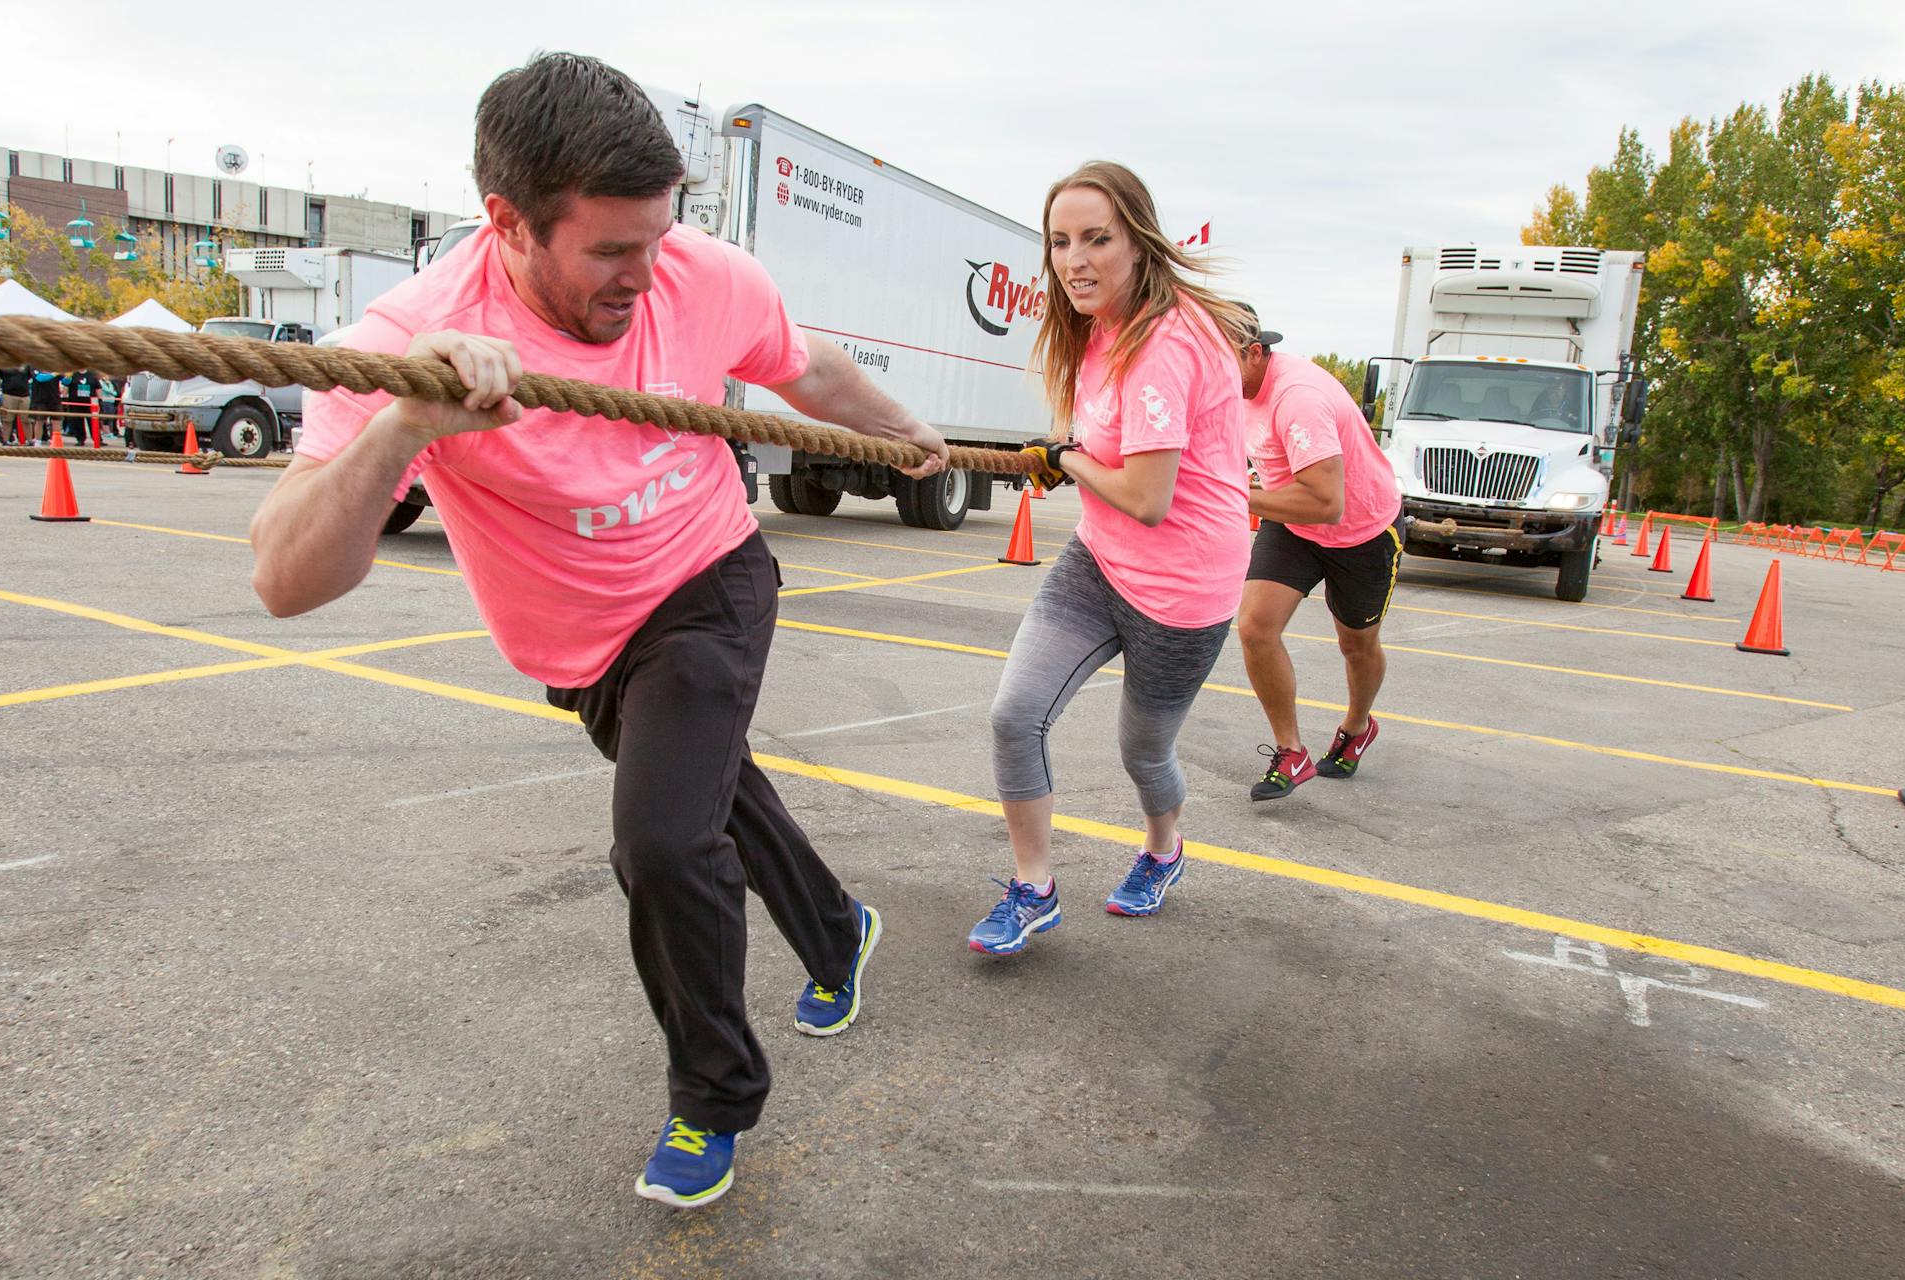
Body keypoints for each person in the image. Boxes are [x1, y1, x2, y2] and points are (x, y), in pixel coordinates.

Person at [247, 53, 950, 1211]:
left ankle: (711, 1097)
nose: (645, 274)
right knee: (717, 794)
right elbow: (284, 578)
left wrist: (901, 430)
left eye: (658, 239)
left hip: (709, 578)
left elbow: (802, 363)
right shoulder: (412, 336)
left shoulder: (701, 275)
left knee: (667, 842)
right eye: (611, 251)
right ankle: (842, 929)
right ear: (509, 224)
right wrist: (409, 423)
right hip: (582, 642)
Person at [966, 161, 1252, 956]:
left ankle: (1164, 850)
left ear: (1138, 240)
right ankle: (1034, 890)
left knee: (1143, 751)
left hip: (1183, 590)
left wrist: (1066, 457)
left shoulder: (1164, 342)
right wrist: (1074, 457)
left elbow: (1148, 495)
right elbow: (1107, 462)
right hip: (1100, 563)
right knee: (1014, 715)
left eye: (1097, 238)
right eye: (1060, 242)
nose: (1075, 259)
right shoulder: (1103, 329)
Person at [1233, 310, 1404, 799]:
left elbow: (1328, 503)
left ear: (1255, 351)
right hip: (1291, 523)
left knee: (1357, 644)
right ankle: (1292, 752)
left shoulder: (1298, 399)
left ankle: (1357, 727)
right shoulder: (1232, 388)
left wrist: (1235, 493)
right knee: (1255, 627)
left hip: (1361, 529)